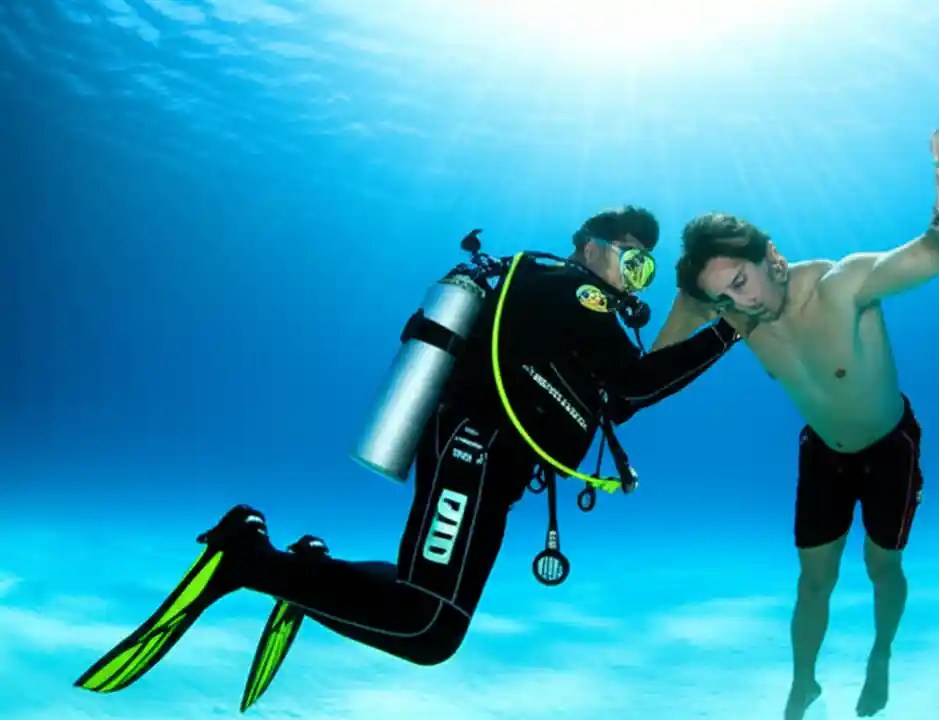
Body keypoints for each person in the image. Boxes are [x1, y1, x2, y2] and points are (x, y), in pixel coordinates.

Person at [75, 205, 741, 705]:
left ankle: (308, 572)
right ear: (592, 248)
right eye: (629, 258)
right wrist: (732, 328)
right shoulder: (573, 291)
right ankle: (245, 558)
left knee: (429, 618)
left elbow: (616, 402)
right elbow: (638, 384)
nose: (634, 276)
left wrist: (694, 322)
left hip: (490, 465)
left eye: (643, 267)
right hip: (475, 450)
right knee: (425, 626)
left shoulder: (573, 308)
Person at [652, 131, 939, 718]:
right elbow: (654, 365)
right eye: (724, 297)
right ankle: (804, 683)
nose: (742, 303)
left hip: (890, 447)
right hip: (822, 453)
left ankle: (881, 655)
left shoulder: (842, 286)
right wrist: (695, 298)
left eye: (743, 280)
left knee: (883, 567)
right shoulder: (738, 318)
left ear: (772, 256)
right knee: (812, 584)